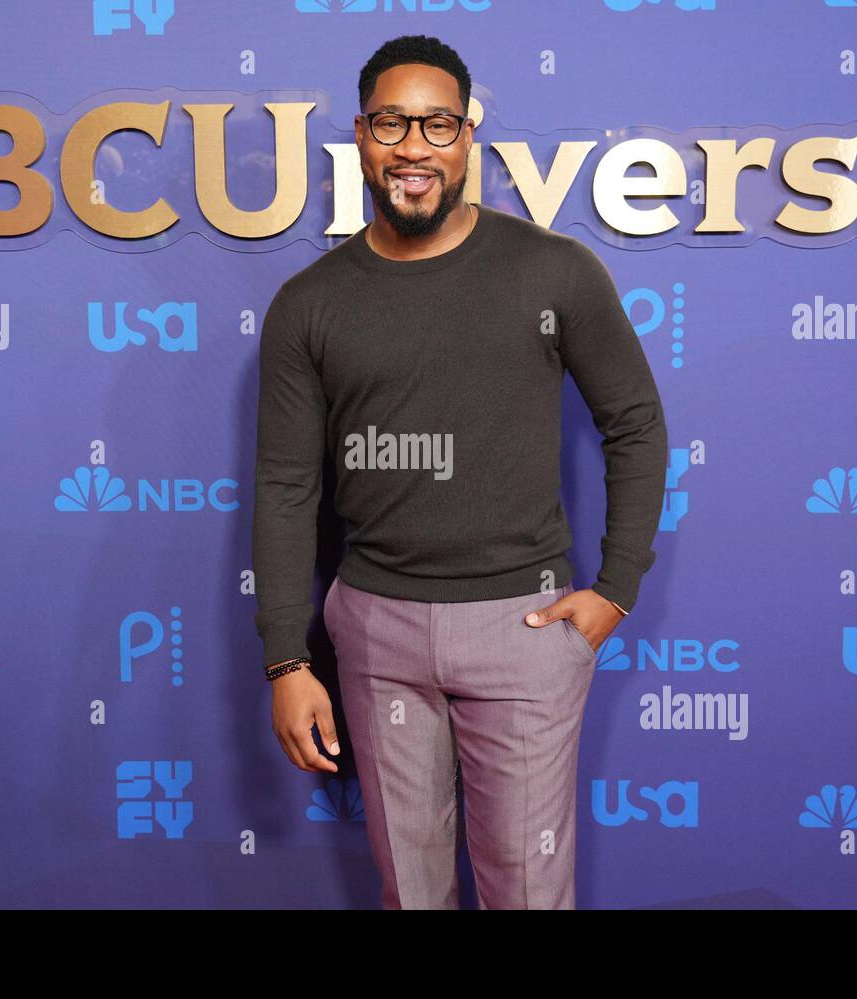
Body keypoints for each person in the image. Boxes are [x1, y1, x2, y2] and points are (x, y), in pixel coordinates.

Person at [253, 34, 667, 909]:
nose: (414, 146)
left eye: (437, 123)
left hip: (524, 629)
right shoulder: (308, 305)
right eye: (392, 123)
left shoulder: (552, 270)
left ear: (467, 137)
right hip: (374, 632)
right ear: (361, 136)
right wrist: (287, 660)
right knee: (410, 888)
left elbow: (633, 421)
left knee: (527, 888)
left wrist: (617, 585)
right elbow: (287, 488)